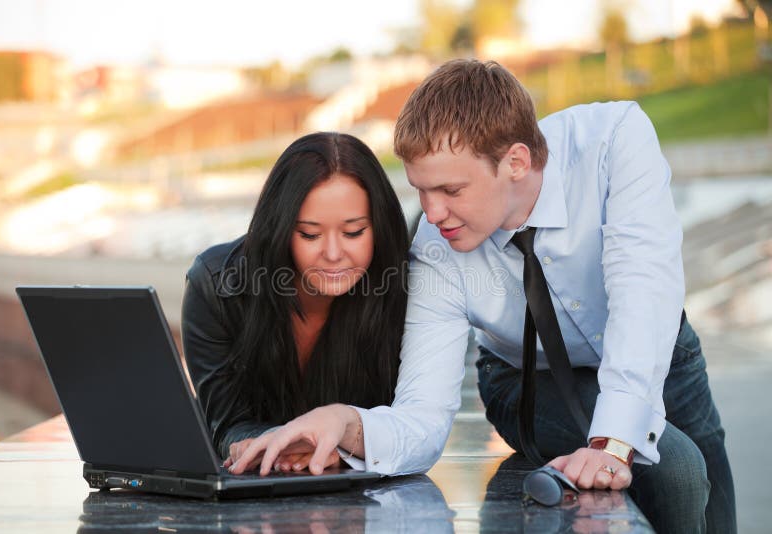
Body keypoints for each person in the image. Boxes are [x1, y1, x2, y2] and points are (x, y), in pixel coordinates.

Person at [229, 60, 735, 533]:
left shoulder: (614, 141)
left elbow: (642, 290)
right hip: (526, 380)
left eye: (450, 190)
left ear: (515, 161)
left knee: (714, 492)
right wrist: (342, 422)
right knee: (679, 470)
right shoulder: (434, 247)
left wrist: (610, 442)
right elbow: (422, 417)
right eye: (421, 191)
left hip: (659, 350)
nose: (433, 213)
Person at [181, 132, 409, 475]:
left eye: (353, 232)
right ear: (280, 229)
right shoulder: (216, 286)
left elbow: (410, 422)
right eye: (310, 234)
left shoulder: (404, 287)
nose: (333, 254)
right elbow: (227, 422)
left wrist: (345, 446)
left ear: (379, 228)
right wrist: (280, 441)